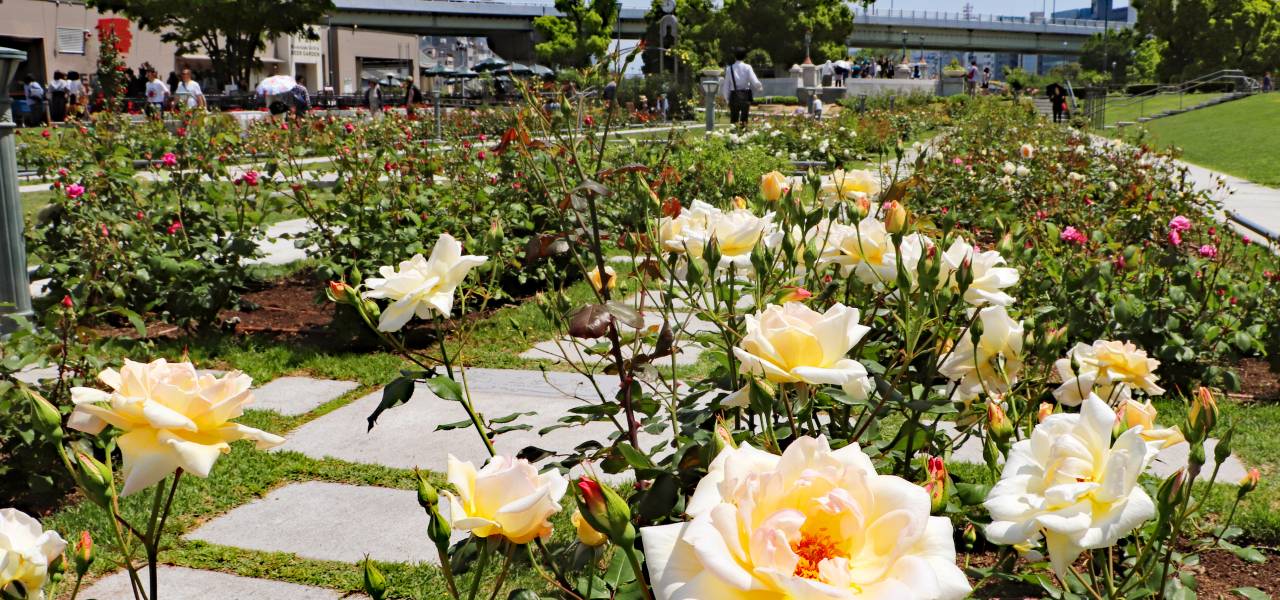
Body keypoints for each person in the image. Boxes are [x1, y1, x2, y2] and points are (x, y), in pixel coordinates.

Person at [720, 47, 762, 128]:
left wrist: (727, 99)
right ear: (745, 57)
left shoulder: (729, 68)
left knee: (734, 120)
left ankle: (733, 137)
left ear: (735, 56)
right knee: (744, 120)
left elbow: (726, 85)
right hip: (745, 96)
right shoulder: (747, 67)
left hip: (734, 96)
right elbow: (754, 80)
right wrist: (759, 87)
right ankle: (743, 137)